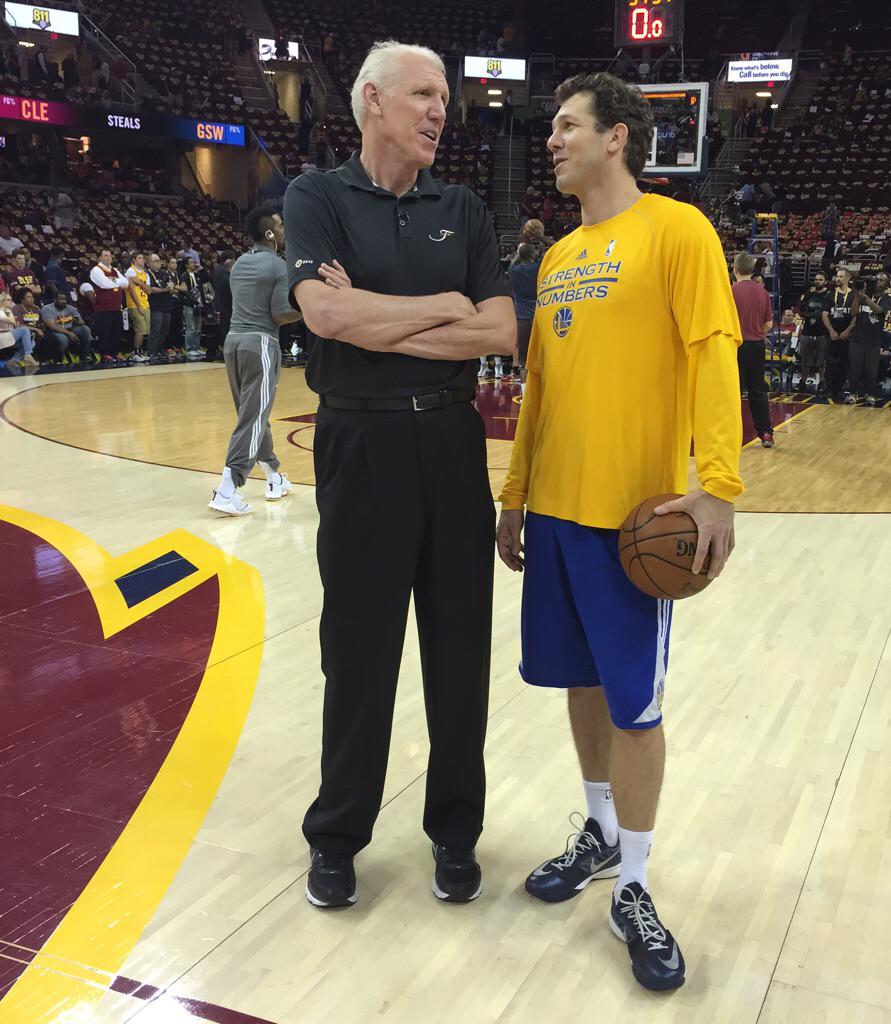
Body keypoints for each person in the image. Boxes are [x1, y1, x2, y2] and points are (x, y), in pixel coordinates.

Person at [496, 72, 742, 994]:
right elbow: (540, 391)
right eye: (552, 127)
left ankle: (633, 884)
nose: (551, 139)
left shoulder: (679, 231)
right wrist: (516, 493)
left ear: (617, 138)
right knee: (581, 683)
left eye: (568, 126)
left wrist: (717, 488)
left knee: (635, 707)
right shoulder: (558, 256)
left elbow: (713, 353)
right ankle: (599, 831)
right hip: (556, 517)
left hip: (634, 526)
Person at [284, 41, 515, 910]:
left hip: (452, 443)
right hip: (360, 442)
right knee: (358, 651)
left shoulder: (463, 207)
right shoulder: (316, 196)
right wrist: (443, 307)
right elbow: (324, 313)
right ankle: (337, 836)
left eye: (444, 97)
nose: (440, 111)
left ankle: (455, 834)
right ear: (373, 101)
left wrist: (374, 318)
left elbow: (498, 330)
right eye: (423, 93)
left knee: (460, 653)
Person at [209, 209, 300, 515]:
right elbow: (279, 314)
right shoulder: (278, 265)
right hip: (260, 343)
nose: (284, 230)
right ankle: (227, 489)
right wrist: (310, 308)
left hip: (233, 343)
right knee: (253, 418)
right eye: (280, 225)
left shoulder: (239, 264)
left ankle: (274, 476)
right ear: (270, 234)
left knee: (254, 415)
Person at [732, 251, 775, 446]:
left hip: (735, 346)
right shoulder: (762, 292)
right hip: (757, 345)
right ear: (752, 269)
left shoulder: (729, 291)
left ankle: (731, 434)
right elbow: (768, 324)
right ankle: (765, 433)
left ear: (735, 269)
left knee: (733, 391)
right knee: (758, 390)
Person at [845, 273, 891, 406]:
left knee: (871, 370)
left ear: (887, 284)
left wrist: (864, 297)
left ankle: (870, 394)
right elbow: (853, 312)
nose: (877, 281)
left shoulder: (886, 298)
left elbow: (879, 310)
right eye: (876, 279)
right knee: (855, 368)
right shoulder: (862, 294)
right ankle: (852, 393)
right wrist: (857, 296)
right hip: (858, 337)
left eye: (881, 280)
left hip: (874, 339)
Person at [508, 241, 541, 381]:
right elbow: (541, 259)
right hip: (539, 318)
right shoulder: (538, 268)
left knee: (523, 362)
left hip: (522, 319)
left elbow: (512, 263)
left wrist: (518, 255)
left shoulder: (513, 271)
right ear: (532, 254)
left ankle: (524, 391)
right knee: (542, 359)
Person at [822, 268, 856, 401]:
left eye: (841, 276)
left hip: (848, 336)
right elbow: (825, 314)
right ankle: (830, 389)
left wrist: (848, 331)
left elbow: (856, 316)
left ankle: (841, 389)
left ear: (848, 278)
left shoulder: (854, 295)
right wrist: (831, 330)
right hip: (832, 335)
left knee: (844, 364)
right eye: (837, 276)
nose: (838, 279)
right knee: (830, 364)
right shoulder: (830, 295)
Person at [89, 249, 128, 360]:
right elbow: (104, 284)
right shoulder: (96, 270)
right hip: (103, 308)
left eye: (109, 256)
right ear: (100, 257)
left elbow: (126, 283)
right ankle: (105, 354)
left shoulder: (114, 269)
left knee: (116, 332)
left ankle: (115, 352)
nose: (108, 257)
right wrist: (118, 282)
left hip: (116, 307)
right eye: (105, 255)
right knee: (104, 332)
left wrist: (113, 281)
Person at [797, 270, 830, 391]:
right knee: (805, 359)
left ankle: (822, 382)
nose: (817, 281)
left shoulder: (829, 295)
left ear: (825, 281)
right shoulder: (808, 295)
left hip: (823, 332)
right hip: (807, 331)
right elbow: (800, 311)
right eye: (816, 279)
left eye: (820, 280)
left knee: (822, 360)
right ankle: (802, 382)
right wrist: (808, 314)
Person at [40, 293, 93, 365]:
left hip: (70, 329)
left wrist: (78, 322)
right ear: (55, 300)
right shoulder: (47, 309)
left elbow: (81, 321)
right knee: (63, 339)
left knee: (85, 329)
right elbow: (51, 326)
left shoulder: (71, 308)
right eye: (61, 299)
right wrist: (69, 333)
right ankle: (58, 360)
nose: (63, 301)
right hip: (54, 331)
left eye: (65, 299)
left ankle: (85, 356)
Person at [146, 253, 175, 358]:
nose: (158, 262)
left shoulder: (164, 273)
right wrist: (164, 290)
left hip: (166, 305)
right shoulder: (147, 274)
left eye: (159, 260)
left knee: (165, 330)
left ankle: (159, 348)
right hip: (155, 306)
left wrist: (171, 285)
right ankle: (151, 350)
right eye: (155, 261)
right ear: (149, 263)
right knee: (156, 329)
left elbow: (171, 283)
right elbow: (151, 289)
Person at [125, 252, 152, 363]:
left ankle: (139, 351)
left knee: (145, 331)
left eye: (143, 258)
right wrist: (139, 306)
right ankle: (135, 353)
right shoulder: (130, 271)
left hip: (146, 304)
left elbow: (149, 291)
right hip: (135, 304)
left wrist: (139, 282)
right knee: (140, 329)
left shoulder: (146, 274)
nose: (142, 260)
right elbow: (131, 290)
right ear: (134, 260)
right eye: (140, 258)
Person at [0, 291, 38, 368]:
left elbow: (13, 324)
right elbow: (5, 319)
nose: (11, 301)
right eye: (8, 300)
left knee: (32, 342)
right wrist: (13, 321)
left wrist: (15, 324)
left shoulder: (8, 311)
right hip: (2, 336)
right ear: (1, 301)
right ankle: (28, 356)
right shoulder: (1, 311)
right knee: (24, 329)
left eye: (11, 300)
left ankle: (13, 361)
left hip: (9, 336)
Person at [180, 256, 205, 360]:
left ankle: (196, 347)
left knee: (198, 328)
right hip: (189, 304)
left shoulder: (197, 275)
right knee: (191, 327)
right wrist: (193, 299)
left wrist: (201, 269)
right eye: (191, 262)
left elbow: (206, 279)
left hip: (198, 304)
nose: (193, 264)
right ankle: (189, 349)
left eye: (194, 262)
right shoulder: (184, 276)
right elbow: (185, 290)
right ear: (186, 265)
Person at [212, 251, 235, 354]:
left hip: (219, 301)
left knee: (222, 326)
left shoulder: (217, 270)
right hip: (227, 303)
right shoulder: (226, 274)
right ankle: (227, 349)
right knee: (227, 327)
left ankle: (218, 348)